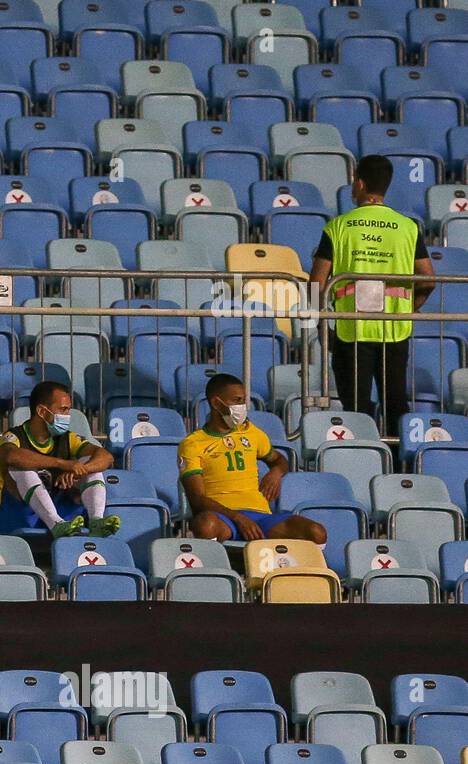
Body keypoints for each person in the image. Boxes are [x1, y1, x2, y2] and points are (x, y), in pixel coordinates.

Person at [309, 154, 435, 435]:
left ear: (361, 183)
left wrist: (321, 325)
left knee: (355, 408)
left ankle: (363, 461)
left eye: (354, 181)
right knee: (395, 403)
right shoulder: (408, 227)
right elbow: (429, 280)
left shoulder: (339, 226)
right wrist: (411, 308)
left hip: (351, 330)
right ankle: (401, 466)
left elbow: (317, 280)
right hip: (394, 329)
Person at [180, 373, 327, 544]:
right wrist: (238, 518)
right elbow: (197, 500)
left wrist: (276, 472)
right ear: (216, 403)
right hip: (223, 518)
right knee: (206, 525)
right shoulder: (193, 443)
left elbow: (279, 460)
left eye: (243, 401)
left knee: (316, 532)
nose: (242, 406)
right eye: (237, 400)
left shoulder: (252, 433)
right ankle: (217, 568)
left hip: (260, 517)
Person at [0, 381, 120, 537]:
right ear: (42, 411)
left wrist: (79, 470)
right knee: (20, 467)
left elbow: (106, 457)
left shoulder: (68, 438)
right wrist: (64, 464)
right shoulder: (12, 437)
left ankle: (96, 521)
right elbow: (12, 456)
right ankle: (55, 524)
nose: (67, 416)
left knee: (90, 463)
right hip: (16, 516)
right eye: (63, 410)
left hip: (60, 510)